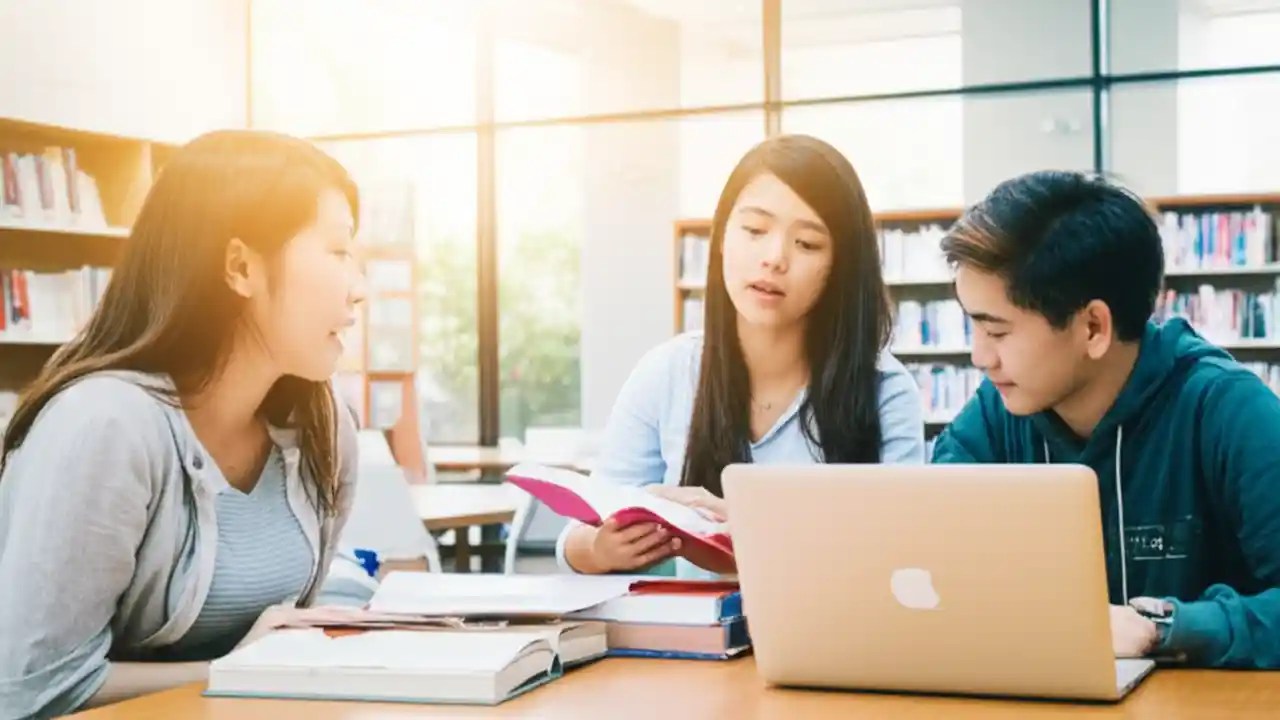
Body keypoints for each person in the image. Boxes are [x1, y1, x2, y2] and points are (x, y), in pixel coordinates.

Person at [0, 130, 369, 716]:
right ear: (241, 267)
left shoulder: (324, 425)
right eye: (338, 252)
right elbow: (34, 691)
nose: (359, 289)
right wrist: (235, 670)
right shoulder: (105, 426)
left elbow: (300, 632)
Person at [932, 170, 1280, 669]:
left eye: (998, 332)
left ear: (1093, 326)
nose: (978, 357)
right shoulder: (996, 411)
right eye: (973, 325)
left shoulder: (1227, 411)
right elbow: (931, 557)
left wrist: (1163, 629)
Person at [560, 134, 925, 579]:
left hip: (832, 643)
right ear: (720, 239)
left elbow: (902, 556)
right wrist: (601, 549)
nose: (774, 259)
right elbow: (577, 536)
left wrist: (752, 528)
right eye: (754, 231)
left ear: (841, 268)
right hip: (691, 643)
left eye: (807, 244)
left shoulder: (884, 389)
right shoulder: (668, 372)